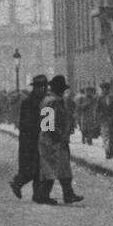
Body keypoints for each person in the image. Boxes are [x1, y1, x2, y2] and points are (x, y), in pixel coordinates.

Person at [39, 75, 83, 204]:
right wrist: (57, 137)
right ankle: (60, 195)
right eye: (62, 89)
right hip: (53, 139)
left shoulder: (46, 99)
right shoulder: (54, 101)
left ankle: (60, 194)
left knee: (54, 168)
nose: (63, 91)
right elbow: (47, 123)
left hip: (48, 138)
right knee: (58, 168)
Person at [10, 74, 51, 203]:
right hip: (31, 140)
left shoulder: (40, 101)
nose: (43, 89)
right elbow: (29, 123)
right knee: (34, 167)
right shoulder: (31, 102)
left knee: (39, 167)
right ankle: (19, 183)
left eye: (44, 87)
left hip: (35, 139)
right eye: (40, 87)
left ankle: (37, 194)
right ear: (36, 88)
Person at [97, 81, 113, 159]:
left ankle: (111, 150)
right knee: (105, 136)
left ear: (109, 90)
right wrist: (98, 118)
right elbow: (96, 109)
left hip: (112, 120)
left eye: (106, 89)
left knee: (112, 137)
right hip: (103, 120)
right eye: (103, 89)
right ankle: (107, 152)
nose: (105, 90)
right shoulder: (99, 98)